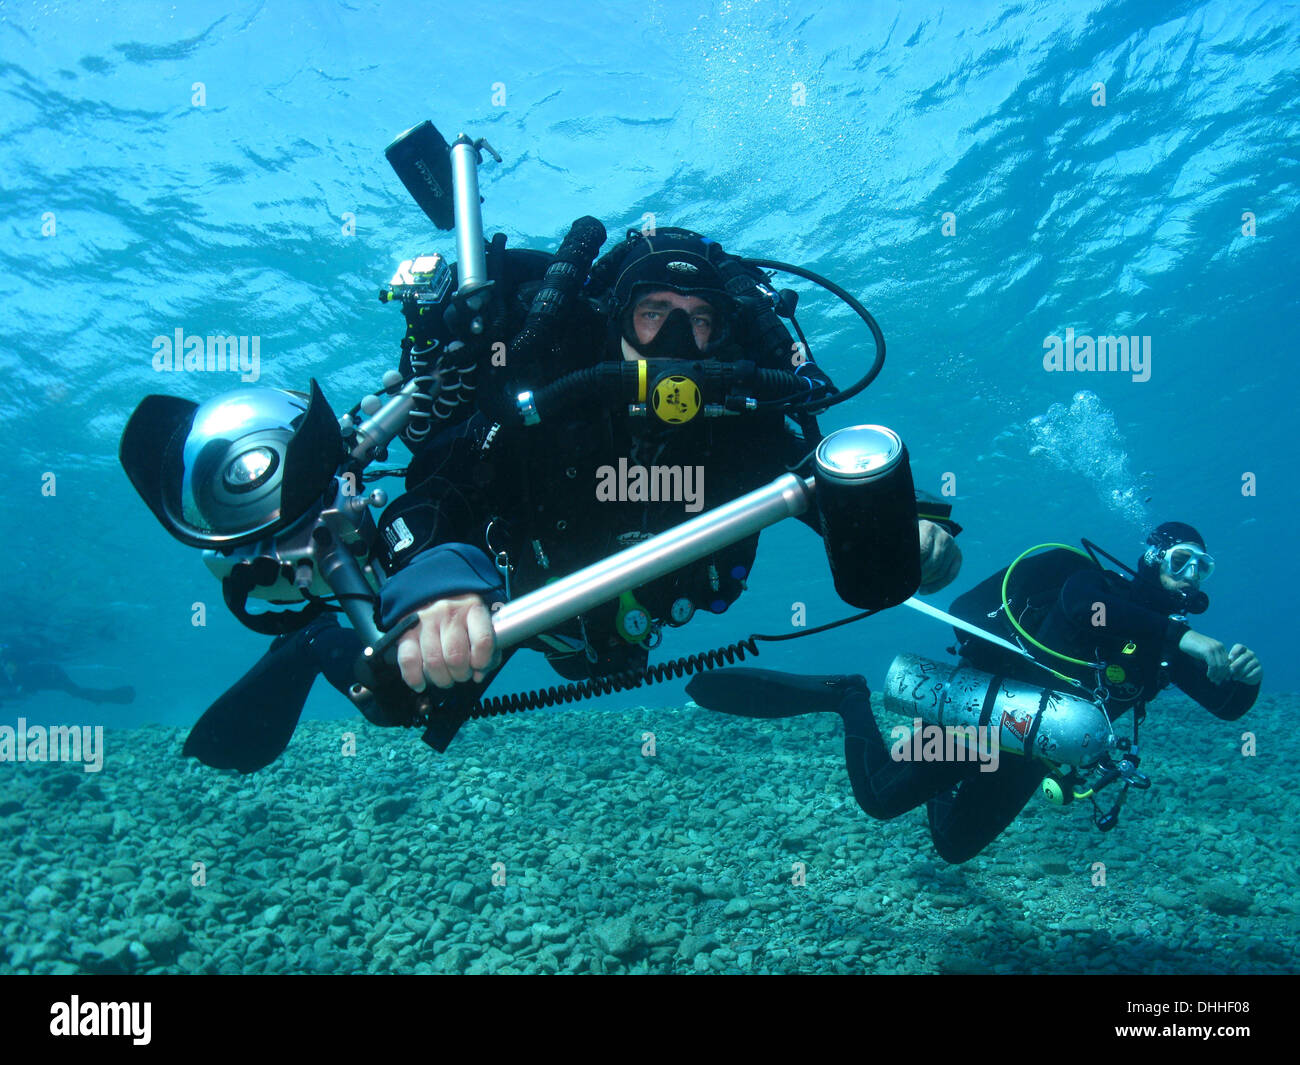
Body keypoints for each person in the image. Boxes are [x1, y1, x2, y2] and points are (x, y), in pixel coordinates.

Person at [373, 230, 962, 708]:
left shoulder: (739, 428)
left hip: (637, 620)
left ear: (721, 335)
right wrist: (435, 582)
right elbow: (438, 487)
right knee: (383, 690)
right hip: (526, 616)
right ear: (617, 321)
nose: (678, 338)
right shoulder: (552, 407)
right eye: (655, 313)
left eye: (700, 320)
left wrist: (906, 534)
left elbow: (821, 484)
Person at [687, 521, 1261, 863]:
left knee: (955, 847)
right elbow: (1085, 609)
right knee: (882, 799)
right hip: (988, 711)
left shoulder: (1171, 648)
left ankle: (938, 767)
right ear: (1151, 560)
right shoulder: (1097, 583)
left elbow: (1225, 704)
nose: (1191, 577)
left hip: (1042, 744)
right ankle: (846, 695)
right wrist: (1181, 635)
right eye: (1182, 561)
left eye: (1202, 568)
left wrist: (1246, 683)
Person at [0, 640, 134, 706]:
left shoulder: (18, 665)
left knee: (75, 692)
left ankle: (115, 696)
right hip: (50, 677)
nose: (8, 669)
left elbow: (21, 682)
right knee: (75, 692)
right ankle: (114, 696)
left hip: (51, 676)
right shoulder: (14, 670)